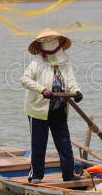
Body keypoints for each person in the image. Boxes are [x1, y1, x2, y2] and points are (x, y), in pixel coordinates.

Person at [20, 29, 83, 183]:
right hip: (38, 110)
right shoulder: (36, 63)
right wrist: (42, 90)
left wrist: (77, 91)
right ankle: (36, 176)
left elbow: (71, 80)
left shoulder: (65, 64)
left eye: (55, 41)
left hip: (59, 109)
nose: (53, 45)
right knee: (39, 144)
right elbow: (24, 80)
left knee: (64, 143)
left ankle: (68, 174)